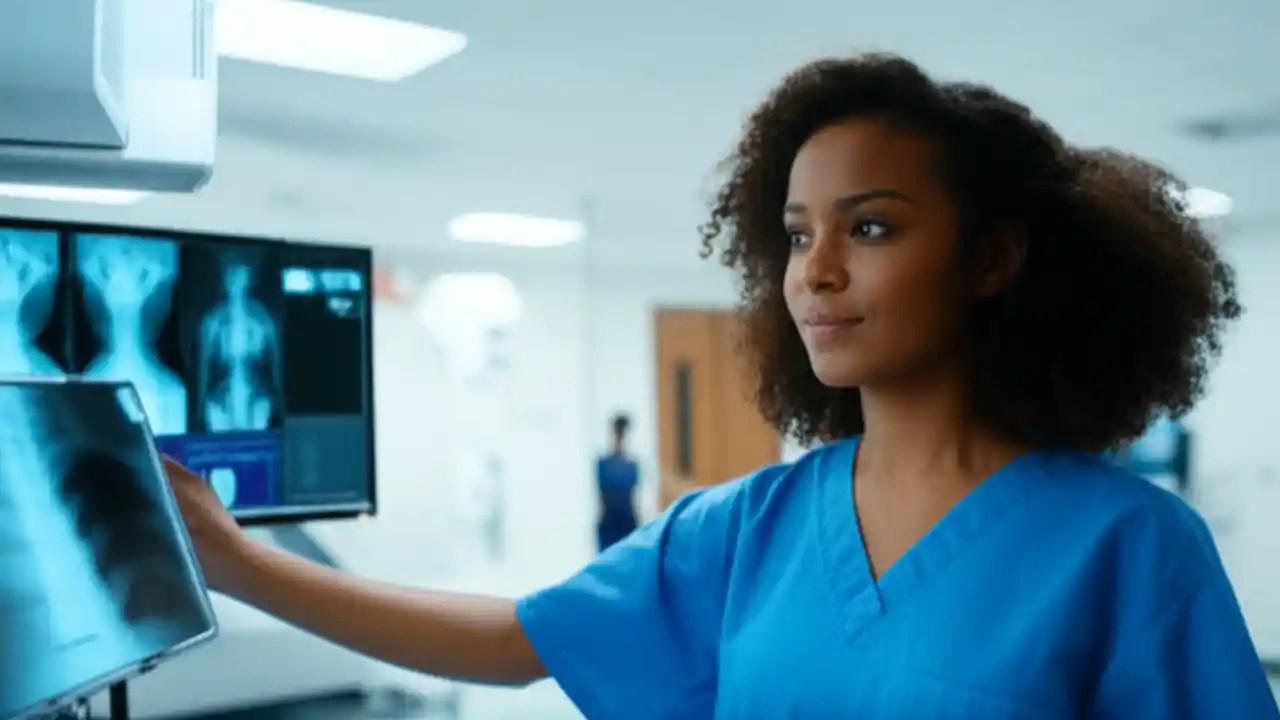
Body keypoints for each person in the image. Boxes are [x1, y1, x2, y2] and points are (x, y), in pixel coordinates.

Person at [163, 53, 1280, 717]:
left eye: (871, 227)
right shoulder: (746, 528)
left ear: (993, 257)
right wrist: (239, 562)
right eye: (797, 236)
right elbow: (513, 641)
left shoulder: (1127, 549)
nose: (817, 272)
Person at [595, 414, 640, 552]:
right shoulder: (603, 464)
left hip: (627, 522)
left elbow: (633, 496)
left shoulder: (632, 466)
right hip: (609, 523)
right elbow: (603, 495)